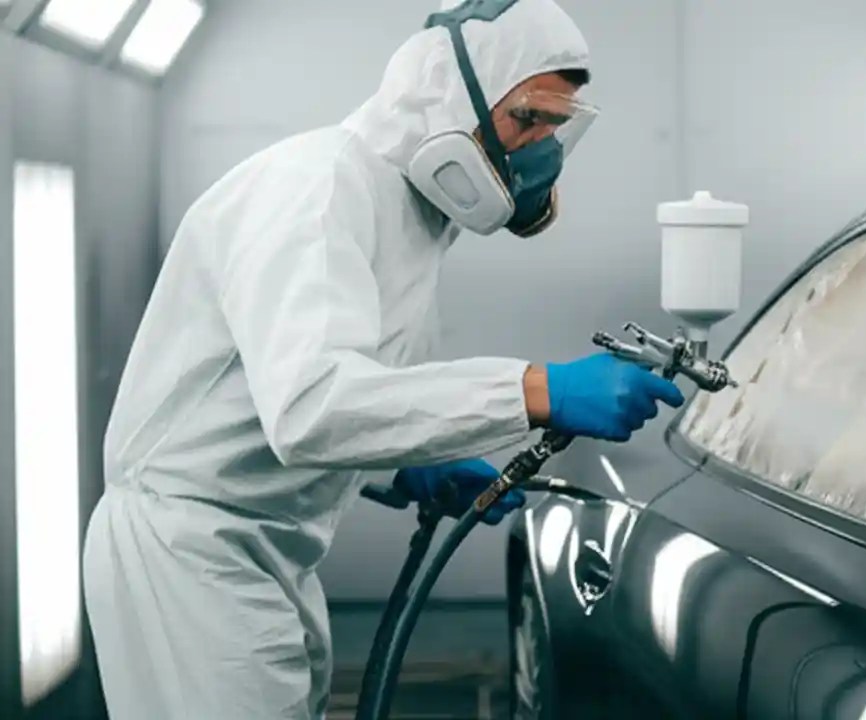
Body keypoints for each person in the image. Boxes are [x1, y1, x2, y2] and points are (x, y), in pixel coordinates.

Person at [82, 1, 682, 717]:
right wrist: (536, 390)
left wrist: (401, 464)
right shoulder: (316, 188)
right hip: (191, 551)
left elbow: (299, 390)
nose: (541, 151)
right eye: (528, 120)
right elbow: (311, 407)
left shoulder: (410, 216)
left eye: (557, 127)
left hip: (266, 546)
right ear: (450, 101)